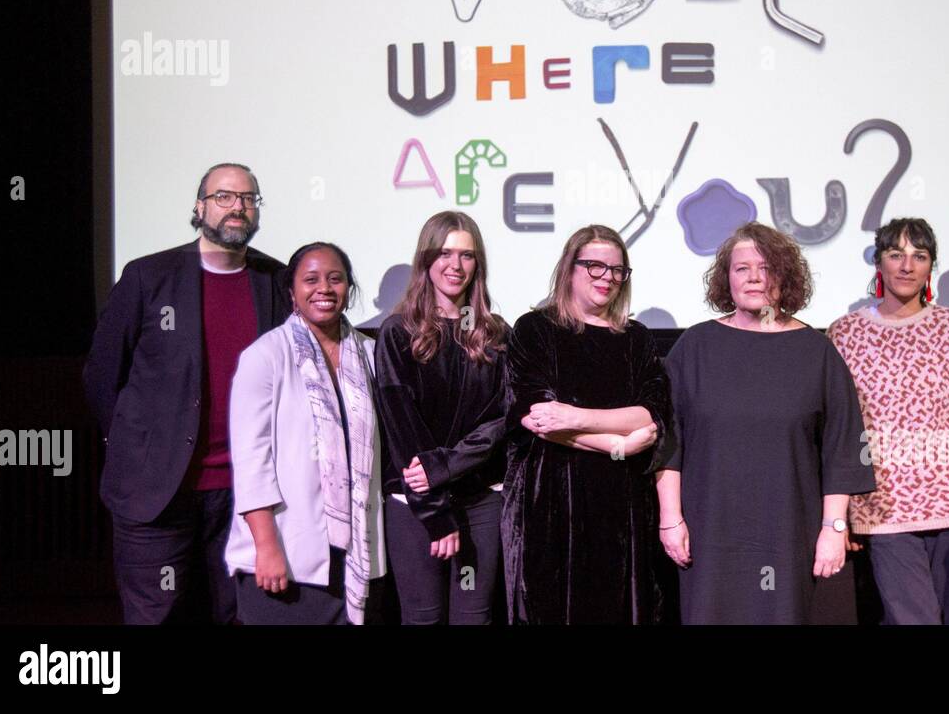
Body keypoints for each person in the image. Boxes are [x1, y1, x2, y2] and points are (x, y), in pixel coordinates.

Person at [83, 162, 288, 624]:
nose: (238, 207)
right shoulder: (147, 276)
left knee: (237, 616)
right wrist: (136, 448)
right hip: (156, 496)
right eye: (224, 197)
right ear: (199, 206)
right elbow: (101, 375)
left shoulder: (275, 281)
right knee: (159, 616)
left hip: (245, 496)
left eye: (248, 199)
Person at [656, 222, 875, 624]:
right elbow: (669, 443)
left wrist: (834, 527)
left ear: (785, 276)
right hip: (711, 535)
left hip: (791, 535)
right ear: (727, 279)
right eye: (742, 268)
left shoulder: (816, 352)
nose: (755, 277)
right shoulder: (694, 349)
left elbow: (843, 447)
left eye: (766, 267)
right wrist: (670, 519)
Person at [501, 225, 667, 624]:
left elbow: (650, 414)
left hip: (622, 503)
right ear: (569, 269)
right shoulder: (534, 329)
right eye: (595, 266)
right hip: (552, 500)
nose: (608, 277)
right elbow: (540, 420)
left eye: (617, 270)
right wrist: (619, 443)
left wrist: (576, 417)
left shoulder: (637, 339)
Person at [828, 218, 949, 625]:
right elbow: (836, 428)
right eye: (895, 254)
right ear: (878, 262)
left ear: (931, 265)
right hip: (882, 505)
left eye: (919, 256)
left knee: (945, 618)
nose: (907, 266)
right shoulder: (845, 333)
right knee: (915, 619)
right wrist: (837, 512)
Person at [225, 242, 386, 624]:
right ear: (292, 291)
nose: (324, 289)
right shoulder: (266, 355)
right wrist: (266, 546)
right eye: (310, 279)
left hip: (353, 558)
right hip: (286, 550)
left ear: (350, 287)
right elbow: (251, 460)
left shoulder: (373, 353)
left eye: (336, 279)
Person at [374, 212, 509, 625]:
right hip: (415, 504)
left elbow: (500, 420)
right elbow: (402, 428)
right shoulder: (398, 332)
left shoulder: (496, 334)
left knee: (474, 616)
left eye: (467, 255)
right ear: (426, 259)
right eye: (445, 253)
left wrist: (446, 466)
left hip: (481, 497)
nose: (456, 265)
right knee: (423, 618)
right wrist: (434, 510)